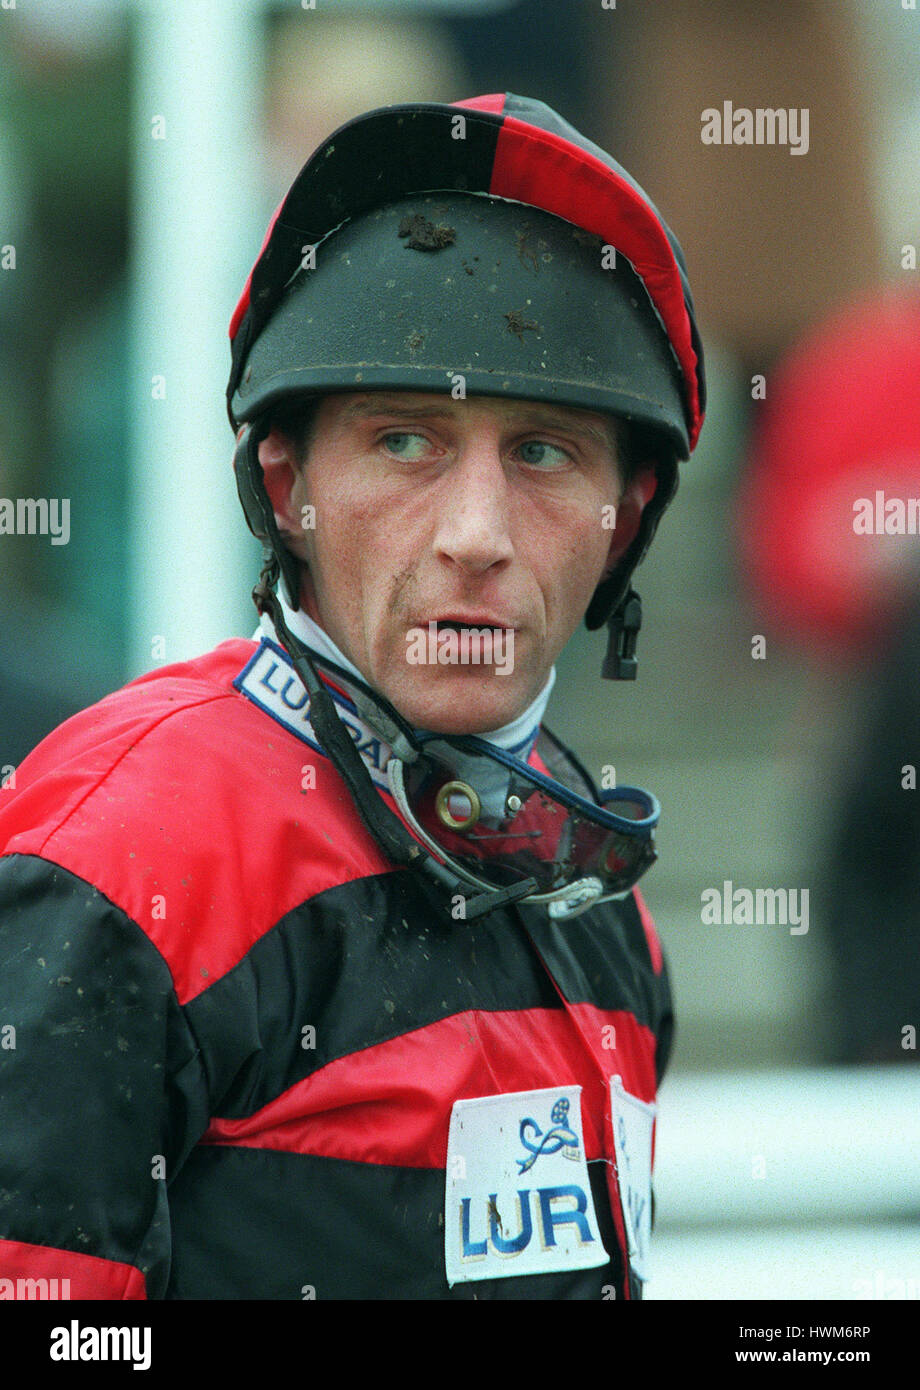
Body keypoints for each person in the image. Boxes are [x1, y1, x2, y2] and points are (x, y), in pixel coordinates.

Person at [0, 93, 704, 1300]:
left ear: (623, 518)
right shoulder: (122, 857)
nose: (474, 535)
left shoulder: (598, 905)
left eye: (541, 453)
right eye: (404, 442)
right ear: (287, 488)